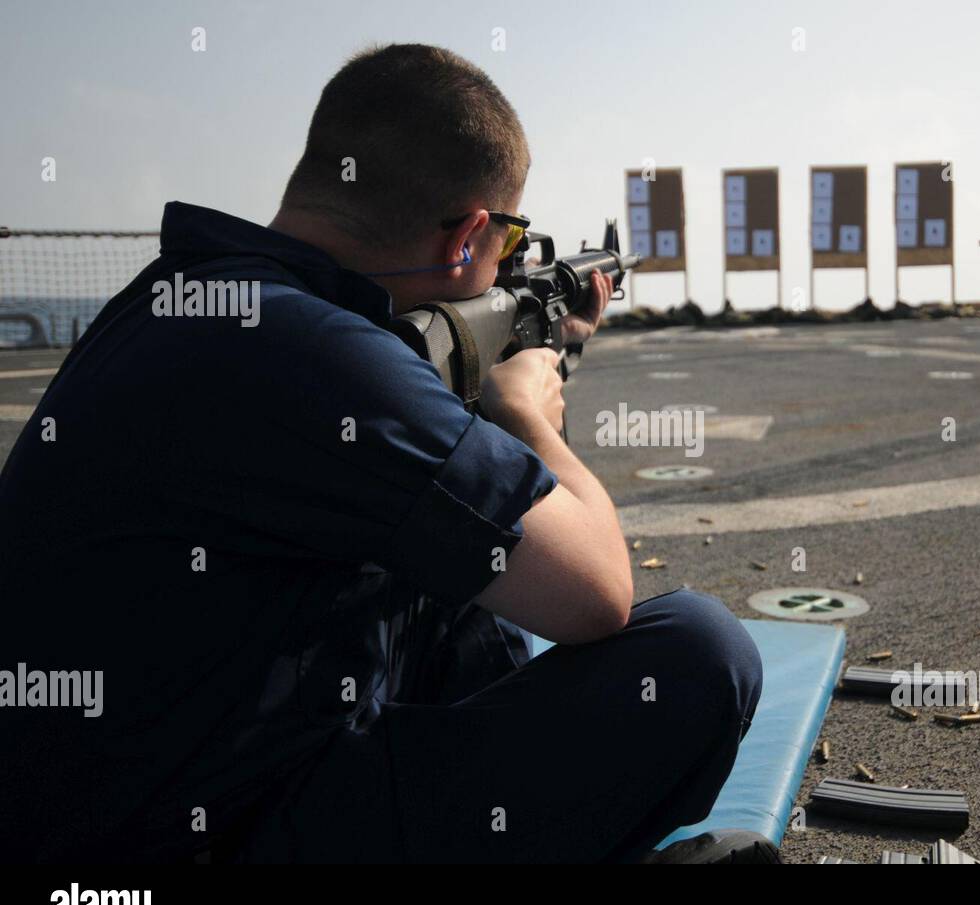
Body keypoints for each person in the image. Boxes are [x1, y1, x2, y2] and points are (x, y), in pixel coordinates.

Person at [0, 43, 768, 863]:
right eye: (505, 247)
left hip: (106, 803)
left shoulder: (177, 294)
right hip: (205, 834)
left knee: (451, 547)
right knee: (703, 652)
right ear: (472, 234)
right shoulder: (328, 355)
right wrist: (525, 413)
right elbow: (597, 593)